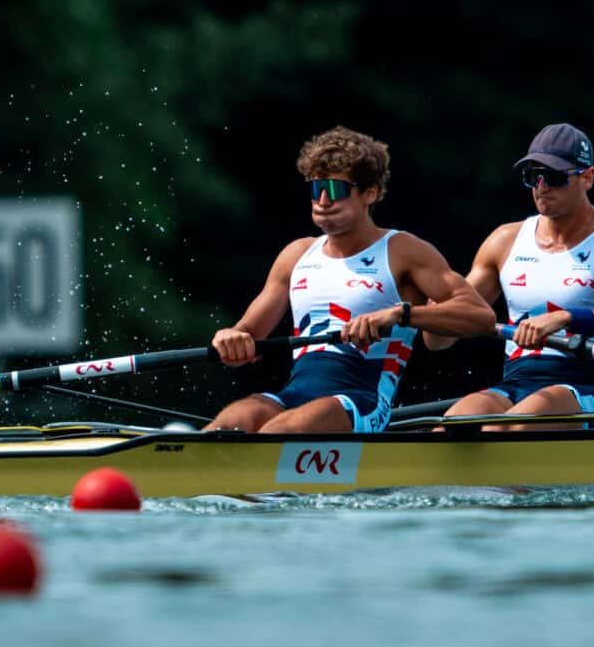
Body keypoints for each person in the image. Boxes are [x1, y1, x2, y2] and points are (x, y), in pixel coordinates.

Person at [209, 126, 495, 434]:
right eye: (316, 188)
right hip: (294, 396)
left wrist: (401, 314)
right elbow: (249, 334)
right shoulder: (296, 255)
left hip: (362, 399)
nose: (322, 200)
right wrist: (230, 337)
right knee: (231, 422)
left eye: (335, 190)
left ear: (370, 193)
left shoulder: (403, 251)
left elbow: (480, 315)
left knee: (281, 430)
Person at [431, 124, 594, 430]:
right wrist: (432, 313)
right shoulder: (504, 240)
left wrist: (568, 318)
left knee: (514, 427)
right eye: (532, 176)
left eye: (553, 176)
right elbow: (438, 341)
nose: (541, 186)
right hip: (517, 379)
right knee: (451, 427)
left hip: (587, 380)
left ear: (587, 177)